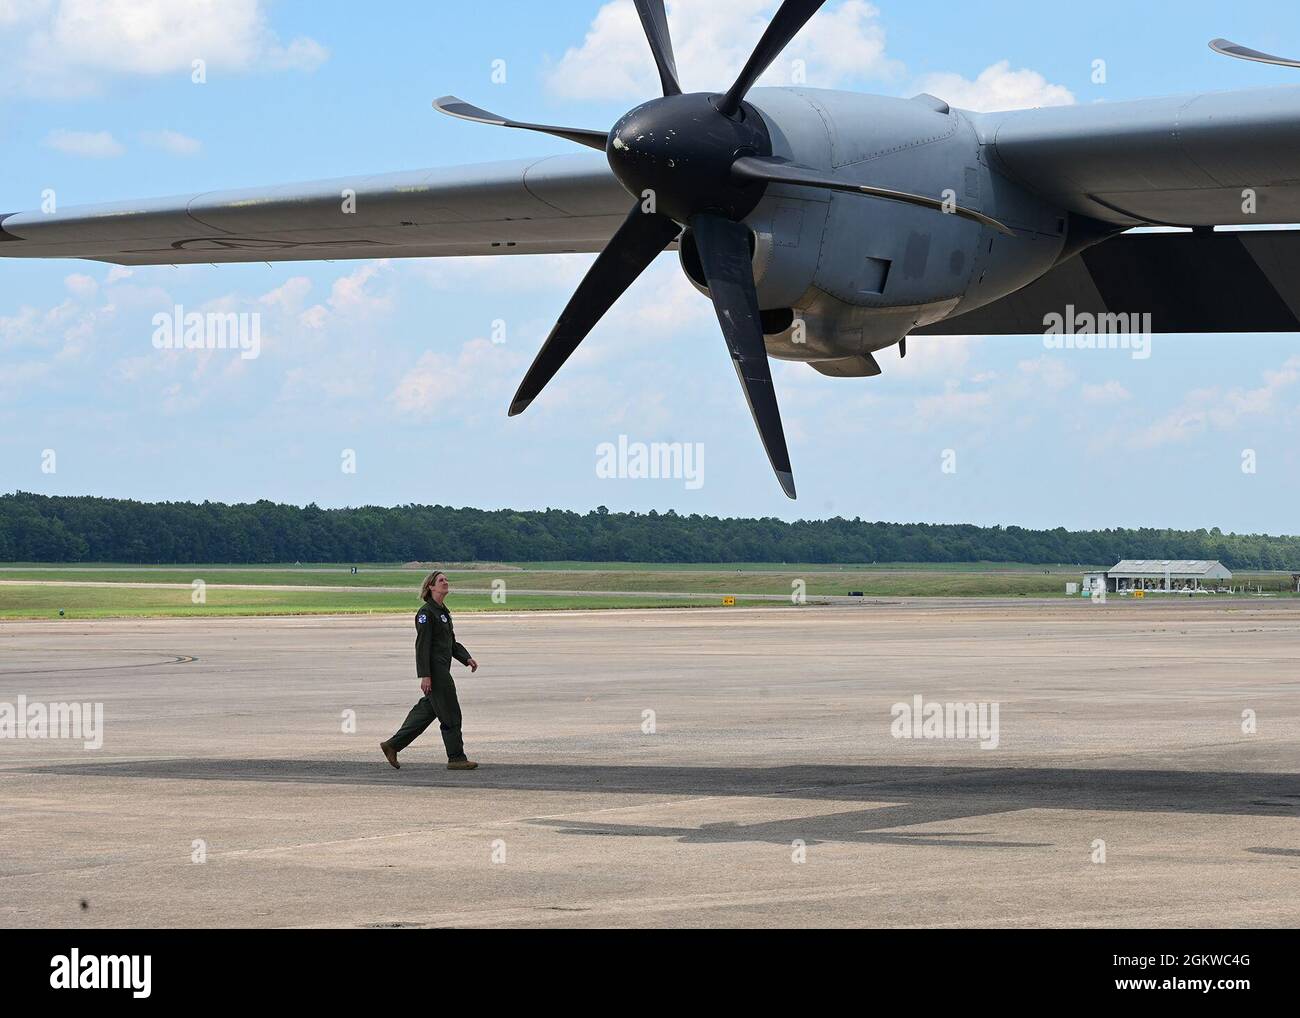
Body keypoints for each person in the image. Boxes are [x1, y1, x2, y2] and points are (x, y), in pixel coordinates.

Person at [380, 570, 479, 771]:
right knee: (450, 712)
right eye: (440, 580)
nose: (445, 582)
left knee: (427, 711)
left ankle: (392, 745)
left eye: (446, 579)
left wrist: (465, 657)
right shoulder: (426, 613)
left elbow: (450, 643)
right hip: (436, 672)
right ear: (431, 587)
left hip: (442, 668)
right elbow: (422, 646)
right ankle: (456, 758)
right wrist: (425, 675)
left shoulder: (442, 612)